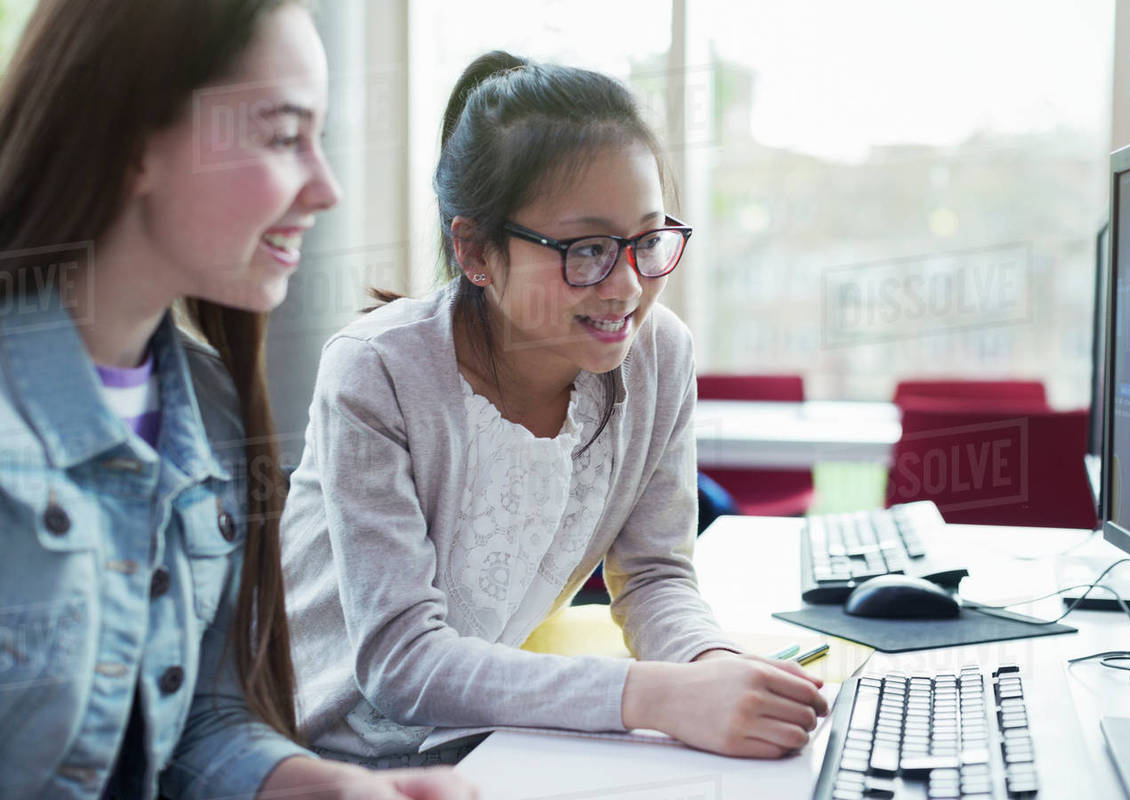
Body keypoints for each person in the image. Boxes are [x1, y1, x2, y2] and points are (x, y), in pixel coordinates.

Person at [280, 50, 830, 767]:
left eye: (647, 240)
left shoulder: (659, 354)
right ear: (475, 251)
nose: (626, 286)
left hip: (486, 736)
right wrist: (655, 696)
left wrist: (713, 671)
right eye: (587, 249)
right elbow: (402, 663)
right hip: (326, 754)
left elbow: (657, 577)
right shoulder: (377, 370)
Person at [0, 1, 475, 798]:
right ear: (134, 138)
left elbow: (198, 728)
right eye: (286, 136)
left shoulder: (210, 406)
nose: (325, 188)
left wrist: (323, 788)